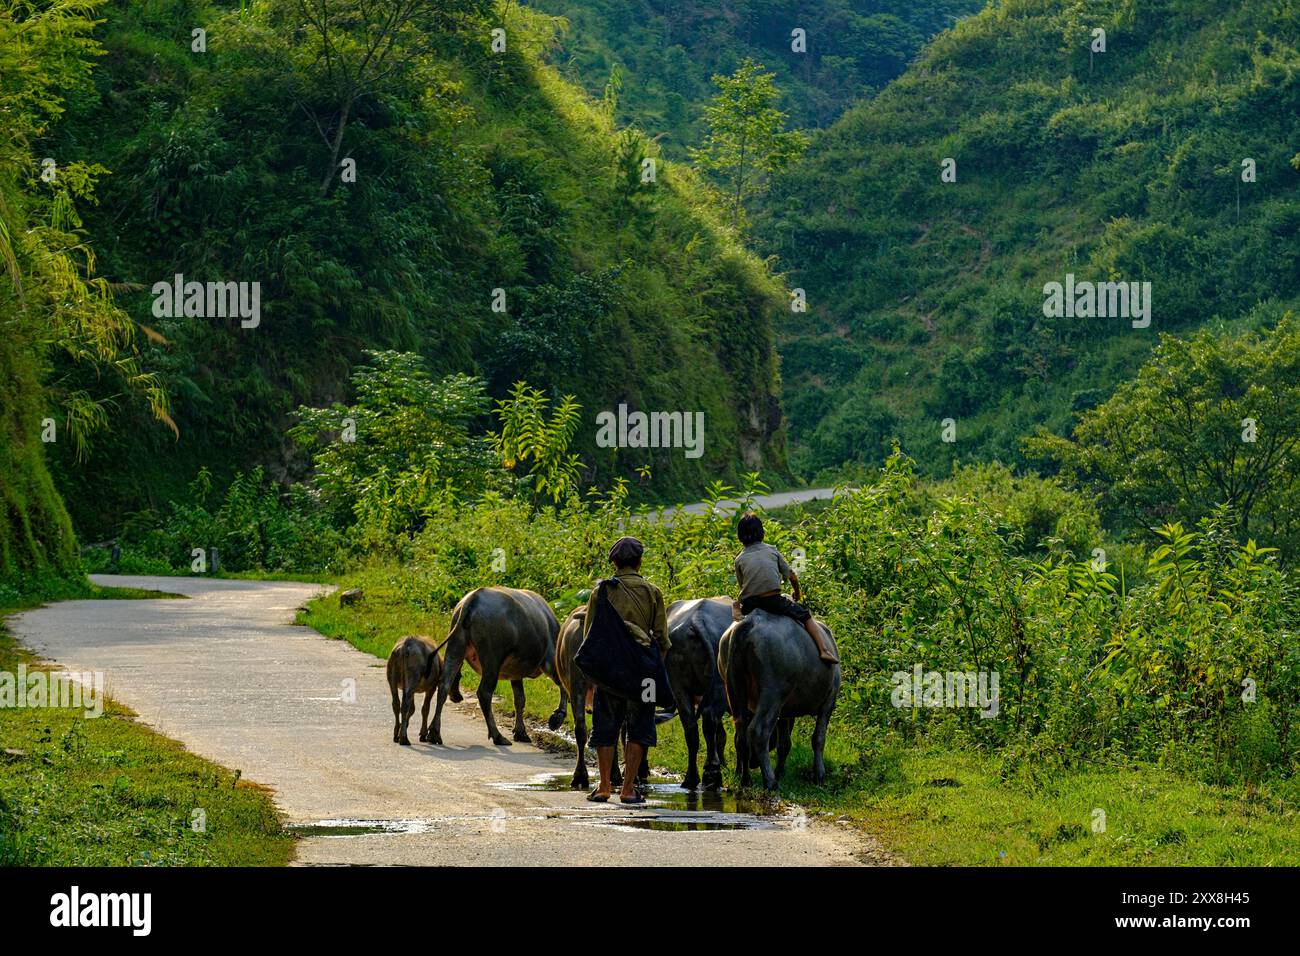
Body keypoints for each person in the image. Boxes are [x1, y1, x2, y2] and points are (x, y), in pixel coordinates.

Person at [583, 535, 669, 804]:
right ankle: (629, 789)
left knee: (605, 726)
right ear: (639, 562)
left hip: (610, 671)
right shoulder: (653, 592)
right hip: (643, 672)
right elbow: (662, 640)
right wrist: (653, 671)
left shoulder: (602, 591)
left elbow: (590, 637)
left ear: (615, 563)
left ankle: (605, 785)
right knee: (640, 726)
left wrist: (595, 677)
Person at [733, 511, 839, 664]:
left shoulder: (739, 559)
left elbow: (742, 585)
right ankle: (824, 650)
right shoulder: (772, 551)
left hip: (751, 603)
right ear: (762, 533)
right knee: (805, 616)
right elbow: (792, 576)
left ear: (740, 537)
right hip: (773, 600)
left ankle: (736, 610)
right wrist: (797, 592)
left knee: (738, 606)